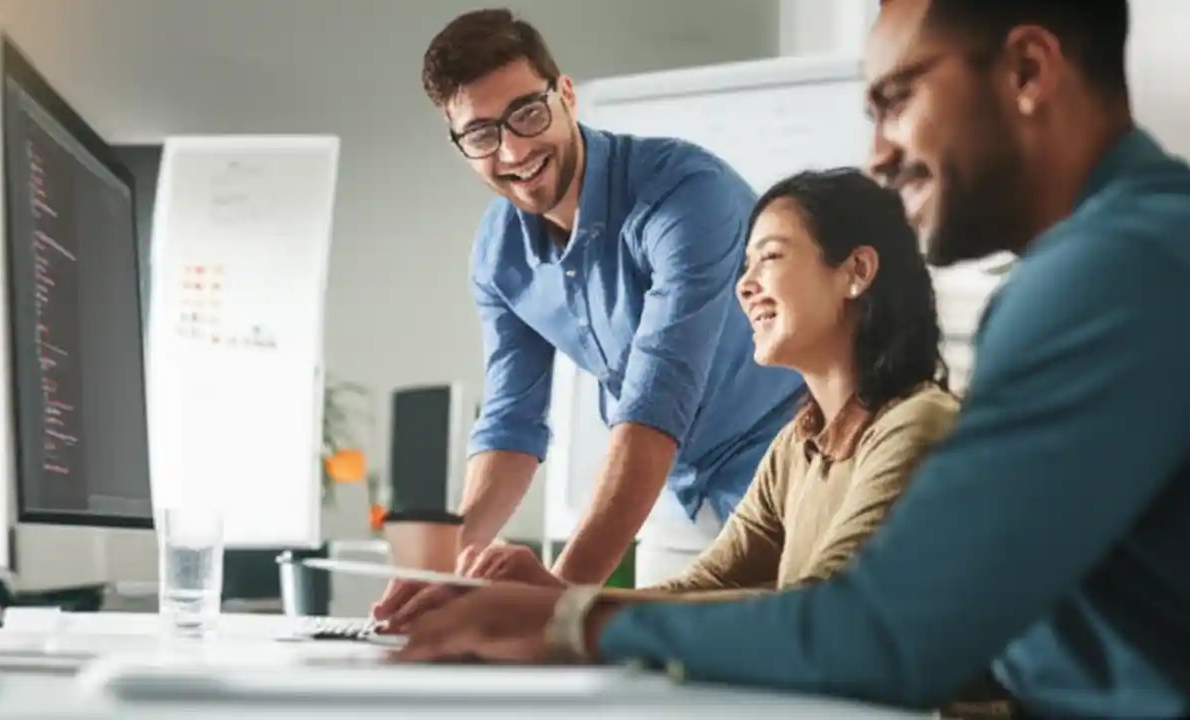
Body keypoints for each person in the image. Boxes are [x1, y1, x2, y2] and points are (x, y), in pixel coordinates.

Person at [392, 1, 1190, 716]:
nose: (877, 155)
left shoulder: (1113, 273)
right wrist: (503, 587)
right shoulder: (1108, 258)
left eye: (897, 98)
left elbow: (886, 627)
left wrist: (570, 614)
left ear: (1028, 69)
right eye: (481, 134)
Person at [382, 168, 959, 630]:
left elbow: (821, 610)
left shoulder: (916, 426)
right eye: (746, 261)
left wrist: (557, 610)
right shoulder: (798, 445)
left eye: (773, 257)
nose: (745, 283)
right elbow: (705, 585)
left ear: (856, 270)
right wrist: (553, 595)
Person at [377, 7, 805, 614]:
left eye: (527, 113)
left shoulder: (685, 194)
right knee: (656, 697)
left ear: (566, 96)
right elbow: (511, 423)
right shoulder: (499, 251)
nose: (514, 150)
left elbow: (657, 402)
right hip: (671, 500)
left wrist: (558, 598)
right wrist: (445, 570)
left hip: (782, 477)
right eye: (481, 135)